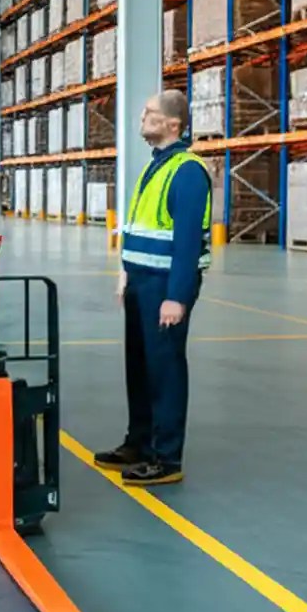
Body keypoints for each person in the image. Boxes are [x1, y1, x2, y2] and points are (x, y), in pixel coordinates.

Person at [93, 89, 211, 486]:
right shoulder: (155, 166)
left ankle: (166, 457)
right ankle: (139, 442)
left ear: (173, 124)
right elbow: (138, 226)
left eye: (150, 113)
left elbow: (187, 242)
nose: (142, 118)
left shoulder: (188, 171)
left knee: (164, 368)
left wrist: (176, 296)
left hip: (165, 285)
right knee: (140, 367)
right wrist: (125, 272)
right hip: (141, 281)